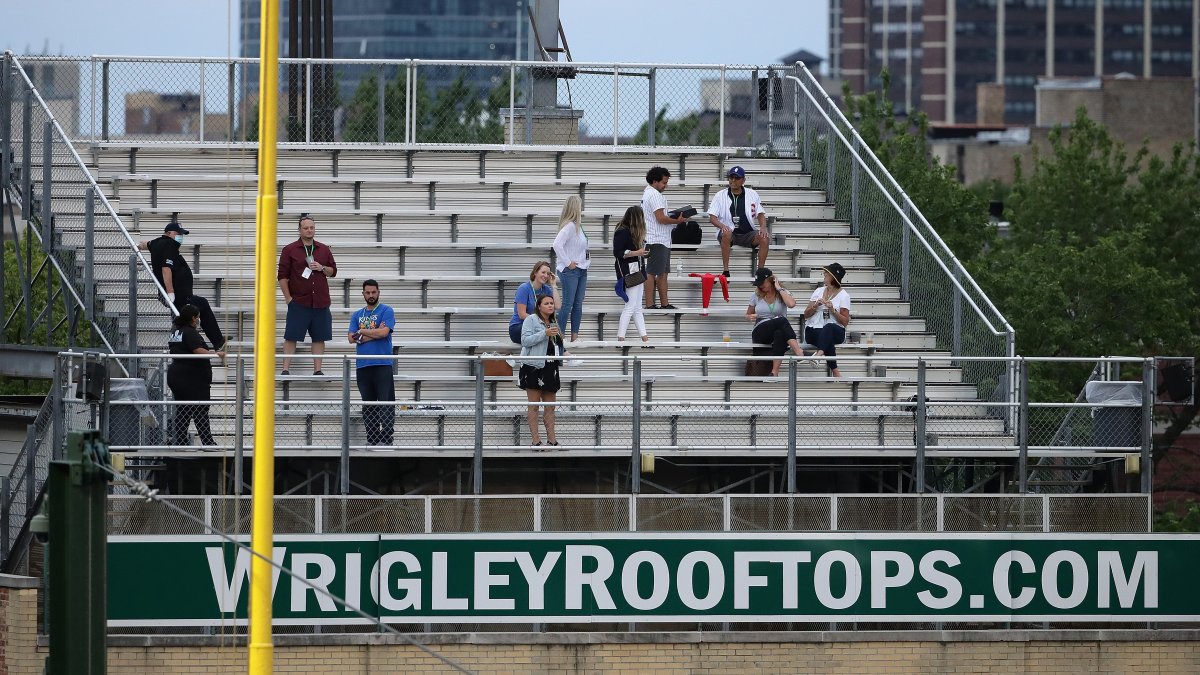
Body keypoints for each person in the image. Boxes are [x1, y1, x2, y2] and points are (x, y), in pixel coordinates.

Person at [142, 221, 227, 351]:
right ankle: (215, 343)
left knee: (182, 320)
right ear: (169, 233)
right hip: (178, 295)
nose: (180, 237)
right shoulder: (169, 244)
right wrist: (170, 292)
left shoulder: (156, 242)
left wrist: (137, 246)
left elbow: (145, 244)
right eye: (178, 234)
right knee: (199, 306)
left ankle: (189, 347)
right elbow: (166, 269)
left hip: (177, 295)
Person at [278, 215, 337, 375]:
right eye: (306, 228)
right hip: (299, 300)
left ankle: (317, 369)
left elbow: (333, 272)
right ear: (299, 230)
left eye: (312, 227)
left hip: (320, 301)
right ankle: (285, 369)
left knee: (319, 336)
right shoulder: (289, 250)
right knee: (291, 335)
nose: (309, 230)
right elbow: (282, 276)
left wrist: (322, 267)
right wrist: (288, 298)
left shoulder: (324, 249)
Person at [166, 304, 225, 447]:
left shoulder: (176, 332)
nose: (199, 320)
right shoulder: (189, 332)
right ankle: (207, 442)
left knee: (184, 409)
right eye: (198, 317)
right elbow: (198, 350)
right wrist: (216, 354)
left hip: (178, 375)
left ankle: (180, 441)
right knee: (200, 409)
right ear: (193, 318)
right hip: (192, 378)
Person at [348, 279, 396, 447]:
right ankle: (373, 437)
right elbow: (350, 338)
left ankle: (387, 437)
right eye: (367, 293)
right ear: (363, 294)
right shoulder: (357, 314)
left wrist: (362, 332)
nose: (370, 295)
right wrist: (372, 333)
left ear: (378, 292)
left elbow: (384, 333)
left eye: (373, 292)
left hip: (382, 363)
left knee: (386, 401)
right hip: (363, 365)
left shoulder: (386, 310)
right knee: (368, 404)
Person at [641, 166, 689, 310]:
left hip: (658, 238)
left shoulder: (647, 193)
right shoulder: (654, 195)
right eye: (663, 182)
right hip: (657, 239)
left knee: (662, 273)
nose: (665, 185)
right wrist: (678, 221)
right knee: (652, 272)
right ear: (655, 181)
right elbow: (661, 218)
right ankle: (651, 304)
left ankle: (664, 303)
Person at [518, 294, 563, 447]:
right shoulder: (531, 320)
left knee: (550, 406)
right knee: (534, 405)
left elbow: (558, 344)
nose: (550, 305)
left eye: (551, 303)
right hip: (534, 367)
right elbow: (525, 341)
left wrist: (566, 353)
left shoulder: (553, 322)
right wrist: (544, 334)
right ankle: (536, 440)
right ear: (539, 306)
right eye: (547, 303)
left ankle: (552, 439)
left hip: (551, 367)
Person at [708, 166, 769, 277]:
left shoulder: (752, 194)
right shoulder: (720, 195)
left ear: (743, 180)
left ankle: (760, 272)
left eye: (737, 178)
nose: (733, 180)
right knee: (726, 232)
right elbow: (712, 217)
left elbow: (760, 213)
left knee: (764, 236)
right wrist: (722, 226)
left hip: (747, 233)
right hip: (730, 234)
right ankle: (726, 271)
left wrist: (763, 226)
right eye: (731, 177)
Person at [745, 267, 805, 377]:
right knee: (781, 319)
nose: (760, 286)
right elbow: (748, 314)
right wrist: (750, 317)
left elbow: (791, 304)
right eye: (758, 284)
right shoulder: (756, 295)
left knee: (780, 333)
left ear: (771, 280)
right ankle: (799, 352)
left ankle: (774, 373)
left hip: (776, 330)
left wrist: (779, 288)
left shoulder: (782, 293)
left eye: (762, 283)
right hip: (761, 330)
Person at [802, 263, 852, 378]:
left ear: (833, 277)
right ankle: (835, 371)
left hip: (836, 331)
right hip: (815, 330)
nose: (824, 275)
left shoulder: (844, 296)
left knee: (829, 328)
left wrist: (833, 310)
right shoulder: (818, 291)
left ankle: (818, 355)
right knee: (825, 337)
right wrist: (815, 306)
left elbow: (844, 322)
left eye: (827, 273)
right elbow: (806, 315)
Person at [552, 195, 589, 342]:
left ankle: (574, 336)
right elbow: (556, 244)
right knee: (568, 304)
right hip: (570, 271)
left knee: (578, 304)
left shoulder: (578, 226)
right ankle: (560, 336)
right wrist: (567, 262)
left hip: (581, 269)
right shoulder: (569, 226)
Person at [612, 206, 650, 345]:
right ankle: (621, 338)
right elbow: (618, 252)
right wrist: (636, 252)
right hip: (629, 271)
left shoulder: (632, 232)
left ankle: (644, 338)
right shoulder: (622, 232)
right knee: (630, 305)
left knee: (636, 306)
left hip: (637, 271)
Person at [507, 260, 561, 344]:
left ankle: (563, 354)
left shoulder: (546, 289)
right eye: (543, 272)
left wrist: (553, 285)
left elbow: (557, 306)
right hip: (519, 326)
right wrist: (541, 323)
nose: (545, 276)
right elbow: (522, 314)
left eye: (548, 273)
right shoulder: (524, 288)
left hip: (539, 327)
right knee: (545, 334)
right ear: (535, 272)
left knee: (553, 334)